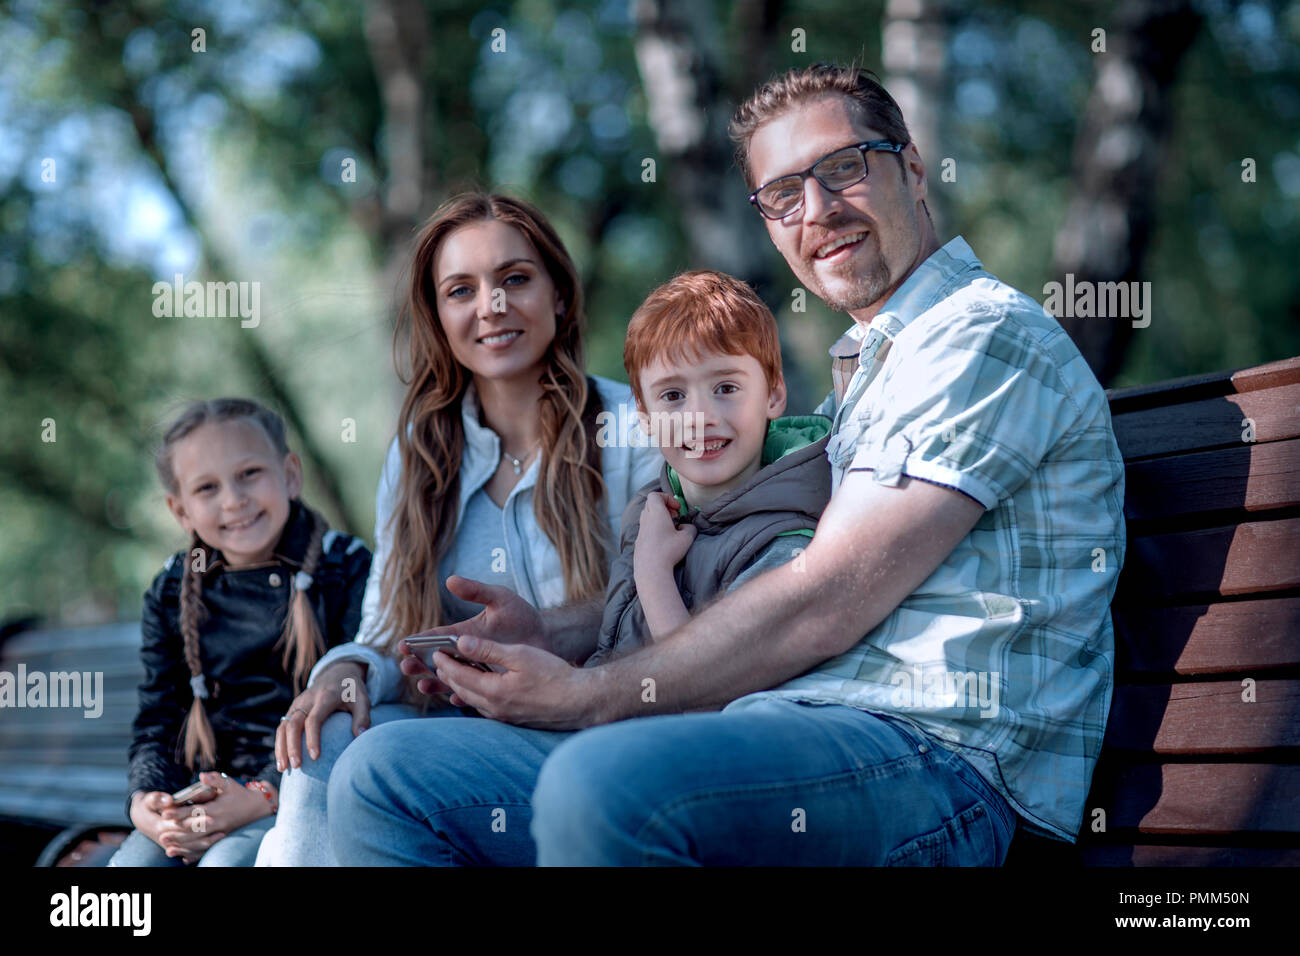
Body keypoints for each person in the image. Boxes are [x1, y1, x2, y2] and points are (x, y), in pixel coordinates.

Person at [327, 63, 1126, 866]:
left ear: (912, 168)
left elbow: (824, 597)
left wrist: (588, 695)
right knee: (384, 773)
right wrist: (560, 633)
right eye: (783, 195)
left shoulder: (980, 335)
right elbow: (751, 582)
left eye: (844, 167)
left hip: (944, 764)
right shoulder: (873, 365)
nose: (817, 211)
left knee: (602, 783)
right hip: (789, 728)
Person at [254, 192, 660, 865]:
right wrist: (349, 670)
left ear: (559, 295)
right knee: (323, 751)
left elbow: (661, 610)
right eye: (460, 291)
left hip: (593, 729)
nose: (491, 306)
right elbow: (388, 629)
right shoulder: (418, 454)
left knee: (379, 759)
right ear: (438, 317)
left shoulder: (630, 425)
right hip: (460, 731)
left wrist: (552, 630)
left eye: (515, 279)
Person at [109, 398, 371, 866]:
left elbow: (347, 706)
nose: (234, 500)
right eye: (207, 488)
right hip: (200, 798)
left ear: (290, 474)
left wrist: (261, 793)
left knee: (226, 863)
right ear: (181, 511)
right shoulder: (172, 591)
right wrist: (147, 801)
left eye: (250, 473)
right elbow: (158, 717)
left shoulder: (345, 568)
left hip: (302, 795)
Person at [583, 269, 830, 667]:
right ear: (645, 417)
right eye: (673, 395)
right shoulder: (652, 510)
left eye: (726, 389)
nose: (699, 416)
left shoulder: (784, 541)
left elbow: (710, 687)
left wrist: (653, 574)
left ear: (774, 395)